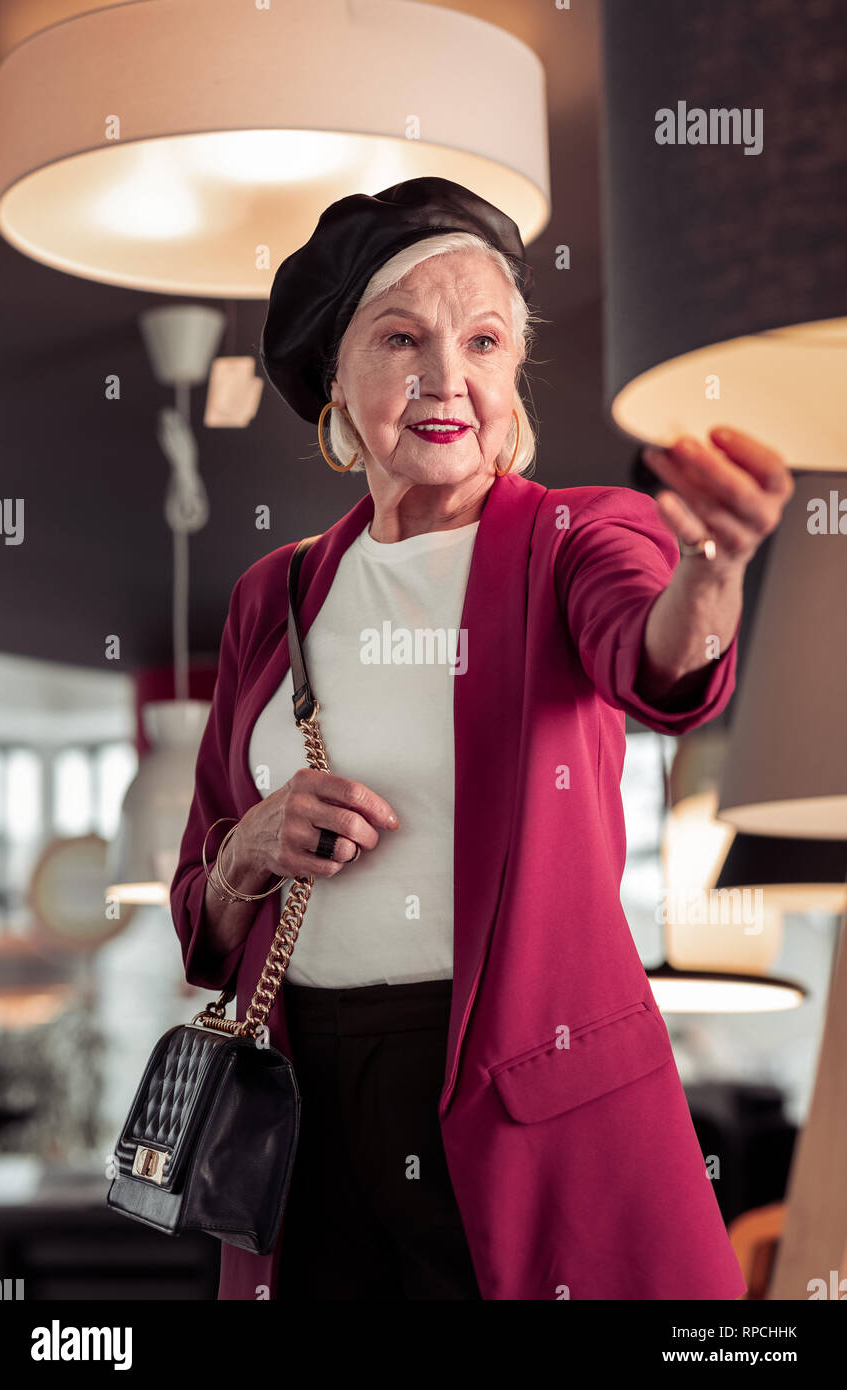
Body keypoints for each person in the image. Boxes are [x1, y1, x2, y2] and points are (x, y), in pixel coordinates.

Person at [169, 176, 794, 1301]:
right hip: (305, 1093)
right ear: (334, 382)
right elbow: (200, 916)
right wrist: (247, 845)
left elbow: (655, 664)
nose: (445, 377)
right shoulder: (277, 591)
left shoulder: (577, 536)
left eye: (484, 340)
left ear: (511, 376)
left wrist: (712, 569)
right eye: (400, 337)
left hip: (522, 1093)